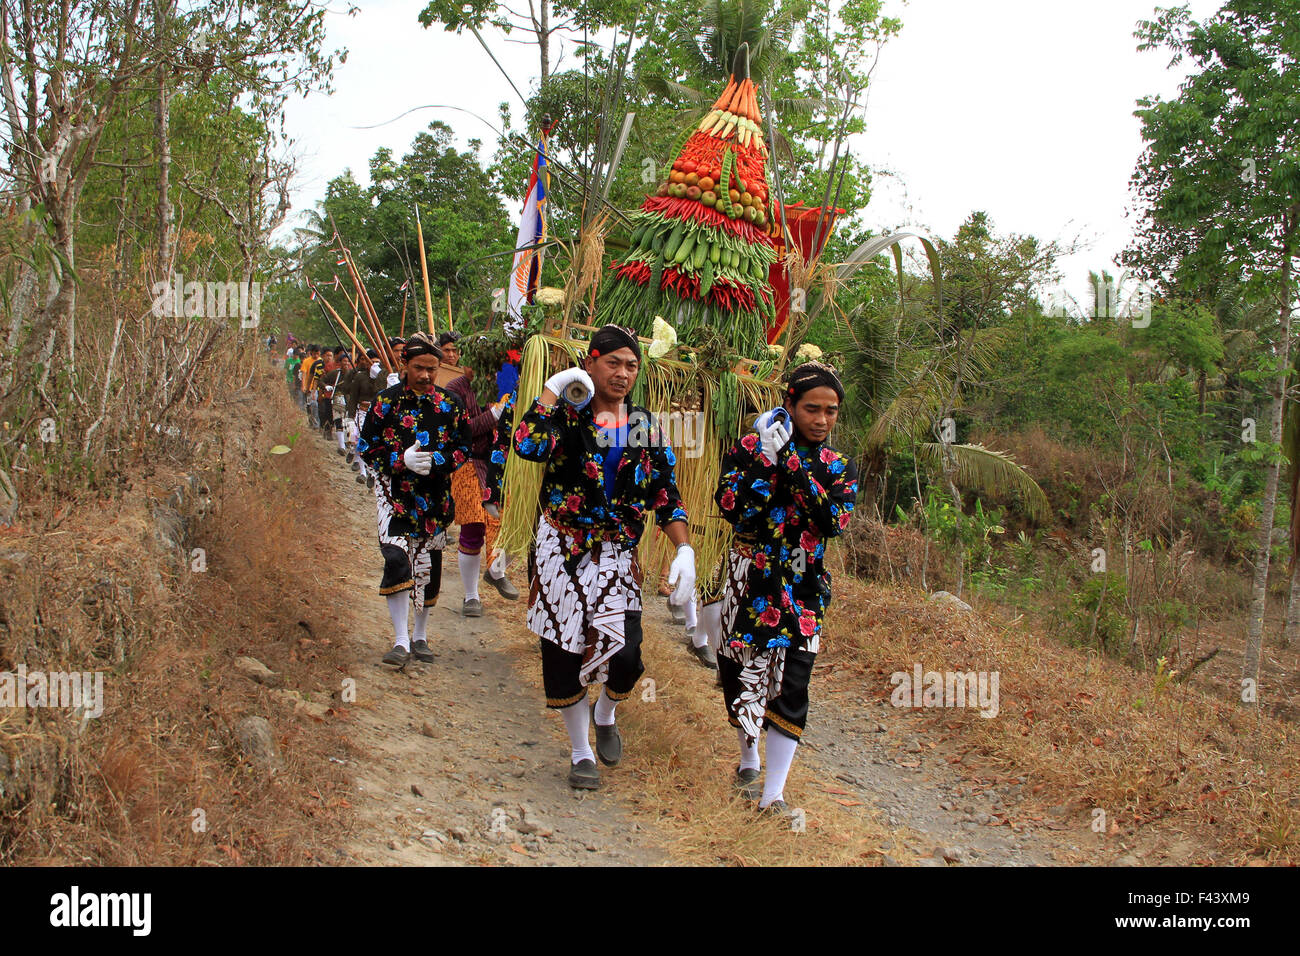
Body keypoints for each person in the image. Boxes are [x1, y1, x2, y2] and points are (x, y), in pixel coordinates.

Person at [513, 324, 695, 790]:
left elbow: (664, 492)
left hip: (617, 552)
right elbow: (527, 444)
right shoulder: (567, 418)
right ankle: (580, 753)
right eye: (612, 362)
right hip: (562, 548)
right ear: (589, 363)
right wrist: (553, 391)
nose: (622, 372)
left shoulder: (643, 424)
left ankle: (606, 710)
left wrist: (684, 548)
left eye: (631, 365)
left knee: (628, 654)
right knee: (562, 649)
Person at [709, 361, 858, 813]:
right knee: (740, 671)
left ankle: (773, 794)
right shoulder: (751, 448)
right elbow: (734, 508)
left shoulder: (838, 467)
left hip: (803, 585)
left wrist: (790, 464)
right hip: (747, 577)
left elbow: (832, 520)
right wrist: (766, 463)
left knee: (793, 682)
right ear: (789, 404)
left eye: (831, 412)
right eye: (811, 409)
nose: (821, 420)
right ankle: (748, 754)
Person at [357, 332, 469, 667]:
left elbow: (462, 448)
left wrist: (436, 460)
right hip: (394, 495)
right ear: (405, 364)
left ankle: (420, 635)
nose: (425, 375)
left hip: (434, 498)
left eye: (432, 369)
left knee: (428, 566)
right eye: (419, 367)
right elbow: (366, 447)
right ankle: (400, 640)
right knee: (396, 558)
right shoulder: (385, 402)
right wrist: (398, 461)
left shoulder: (451, 405)